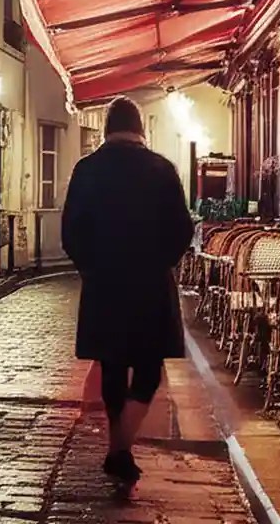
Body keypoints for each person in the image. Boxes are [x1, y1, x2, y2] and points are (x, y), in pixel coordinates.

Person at [61, 96, 195, 482]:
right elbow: (182, 231)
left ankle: (117, 448)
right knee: (149, 371)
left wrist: (90, 268)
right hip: (151, 285)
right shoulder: (161, 169)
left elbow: (71, 232)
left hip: (105, 285)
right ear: (141, 129)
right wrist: (161, 262)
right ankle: (121, 448)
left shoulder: (87, 170)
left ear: (106, 130)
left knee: (114, 369)